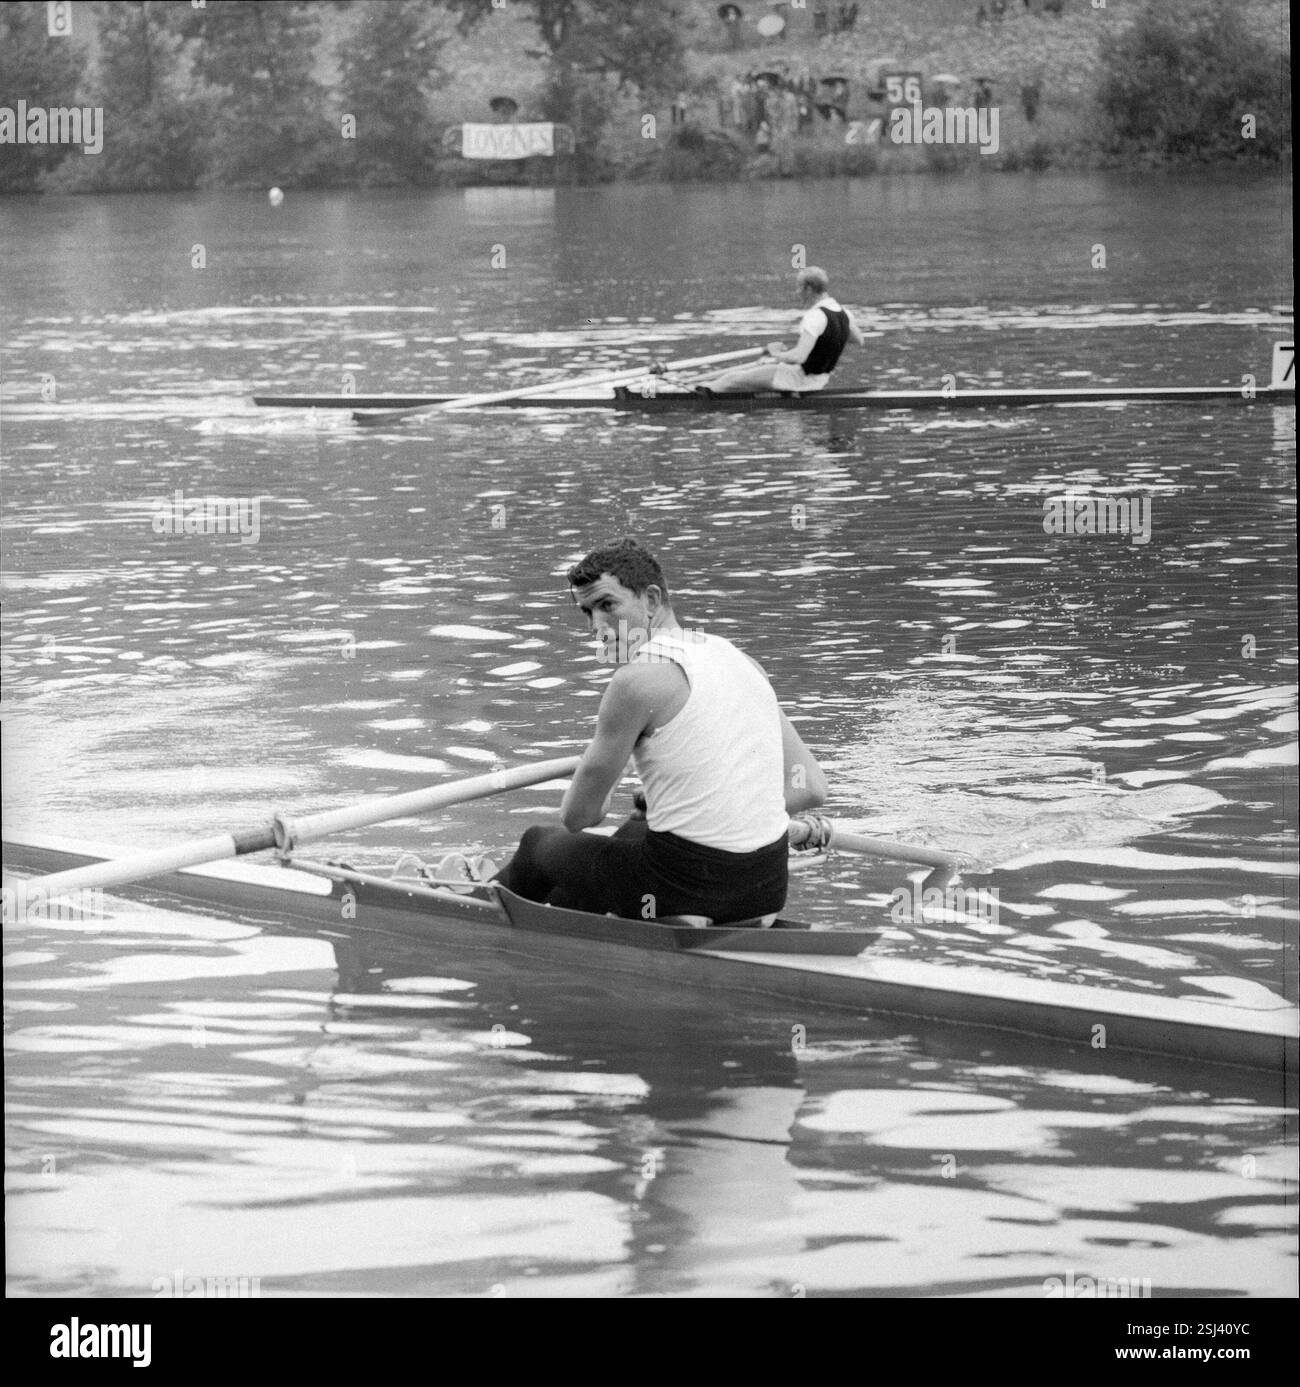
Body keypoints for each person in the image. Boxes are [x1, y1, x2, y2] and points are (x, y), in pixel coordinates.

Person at [492, 539, 829, 925]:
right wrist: (709, 808)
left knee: (538, 844)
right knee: (639, 825)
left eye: (607, 606)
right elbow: (811, 786)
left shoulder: (635, 683)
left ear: (652, 600)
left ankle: (472, 915)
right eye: (588, 613)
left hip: (678, 888)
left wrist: (598, 776)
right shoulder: (742, 662)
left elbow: (579, 817)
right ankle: (570, 915)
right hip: (764, 891)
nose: (597, 629)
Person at [702, 266, 865, 395]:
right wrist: (831, 338)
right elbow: (858, 340)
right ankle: (712, 390)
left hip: (797, 379)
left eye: (799, 288)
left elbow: (799, 356)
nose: (797, 292)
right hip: (819, 380)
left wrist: (774, 355)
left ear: (808, 288)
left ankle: (691, 395)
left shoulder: (815, 316)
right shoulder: (844, 313)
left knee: (731, 379)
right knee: (744, 381)